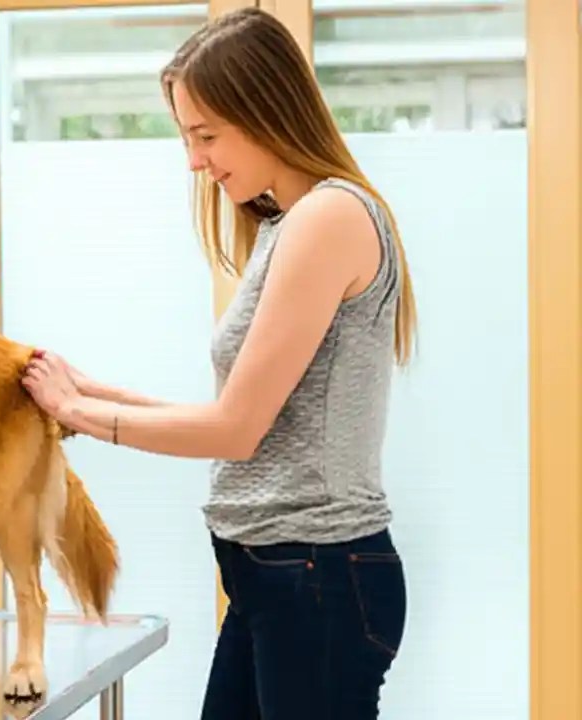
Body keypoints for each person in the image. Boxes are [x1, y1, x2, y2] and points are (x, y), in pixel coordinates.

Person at [21, 8, 413, 720]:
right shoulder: (285, 224)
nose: (194, 160)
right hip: (278, 576)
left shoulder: (329, 218)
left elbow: (236, 431)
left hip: (317, 576)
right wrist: (86, 390)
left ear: (265, 110)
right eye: (186, 137)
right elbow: (239, 412)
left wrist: (81, 413)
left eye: (205, 135)